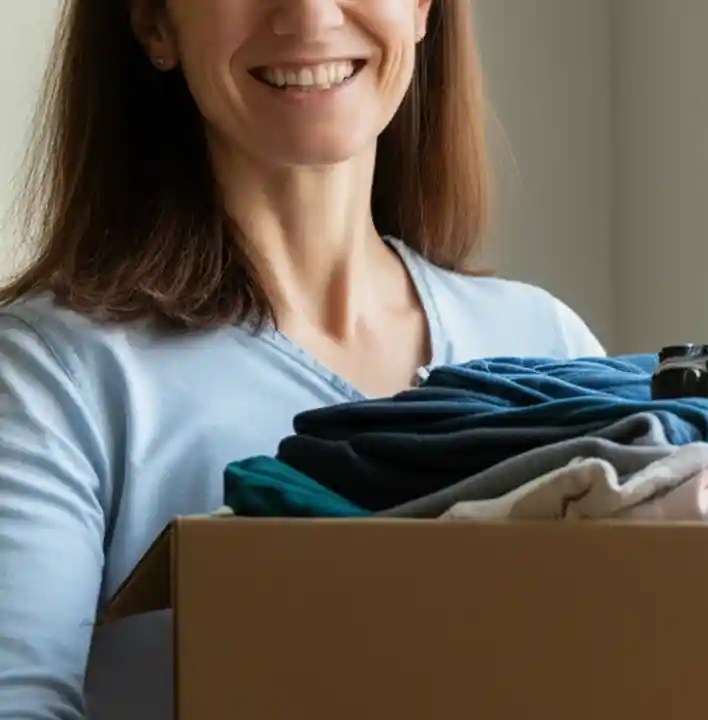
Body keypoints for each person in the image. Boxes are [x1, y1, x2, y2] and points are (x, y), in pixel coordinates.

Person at [0, 1, 604, 717]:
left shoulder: (547, 346)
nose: (311, 15)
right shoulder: (48, 378)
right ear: (155, 24)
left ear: (420, 9)